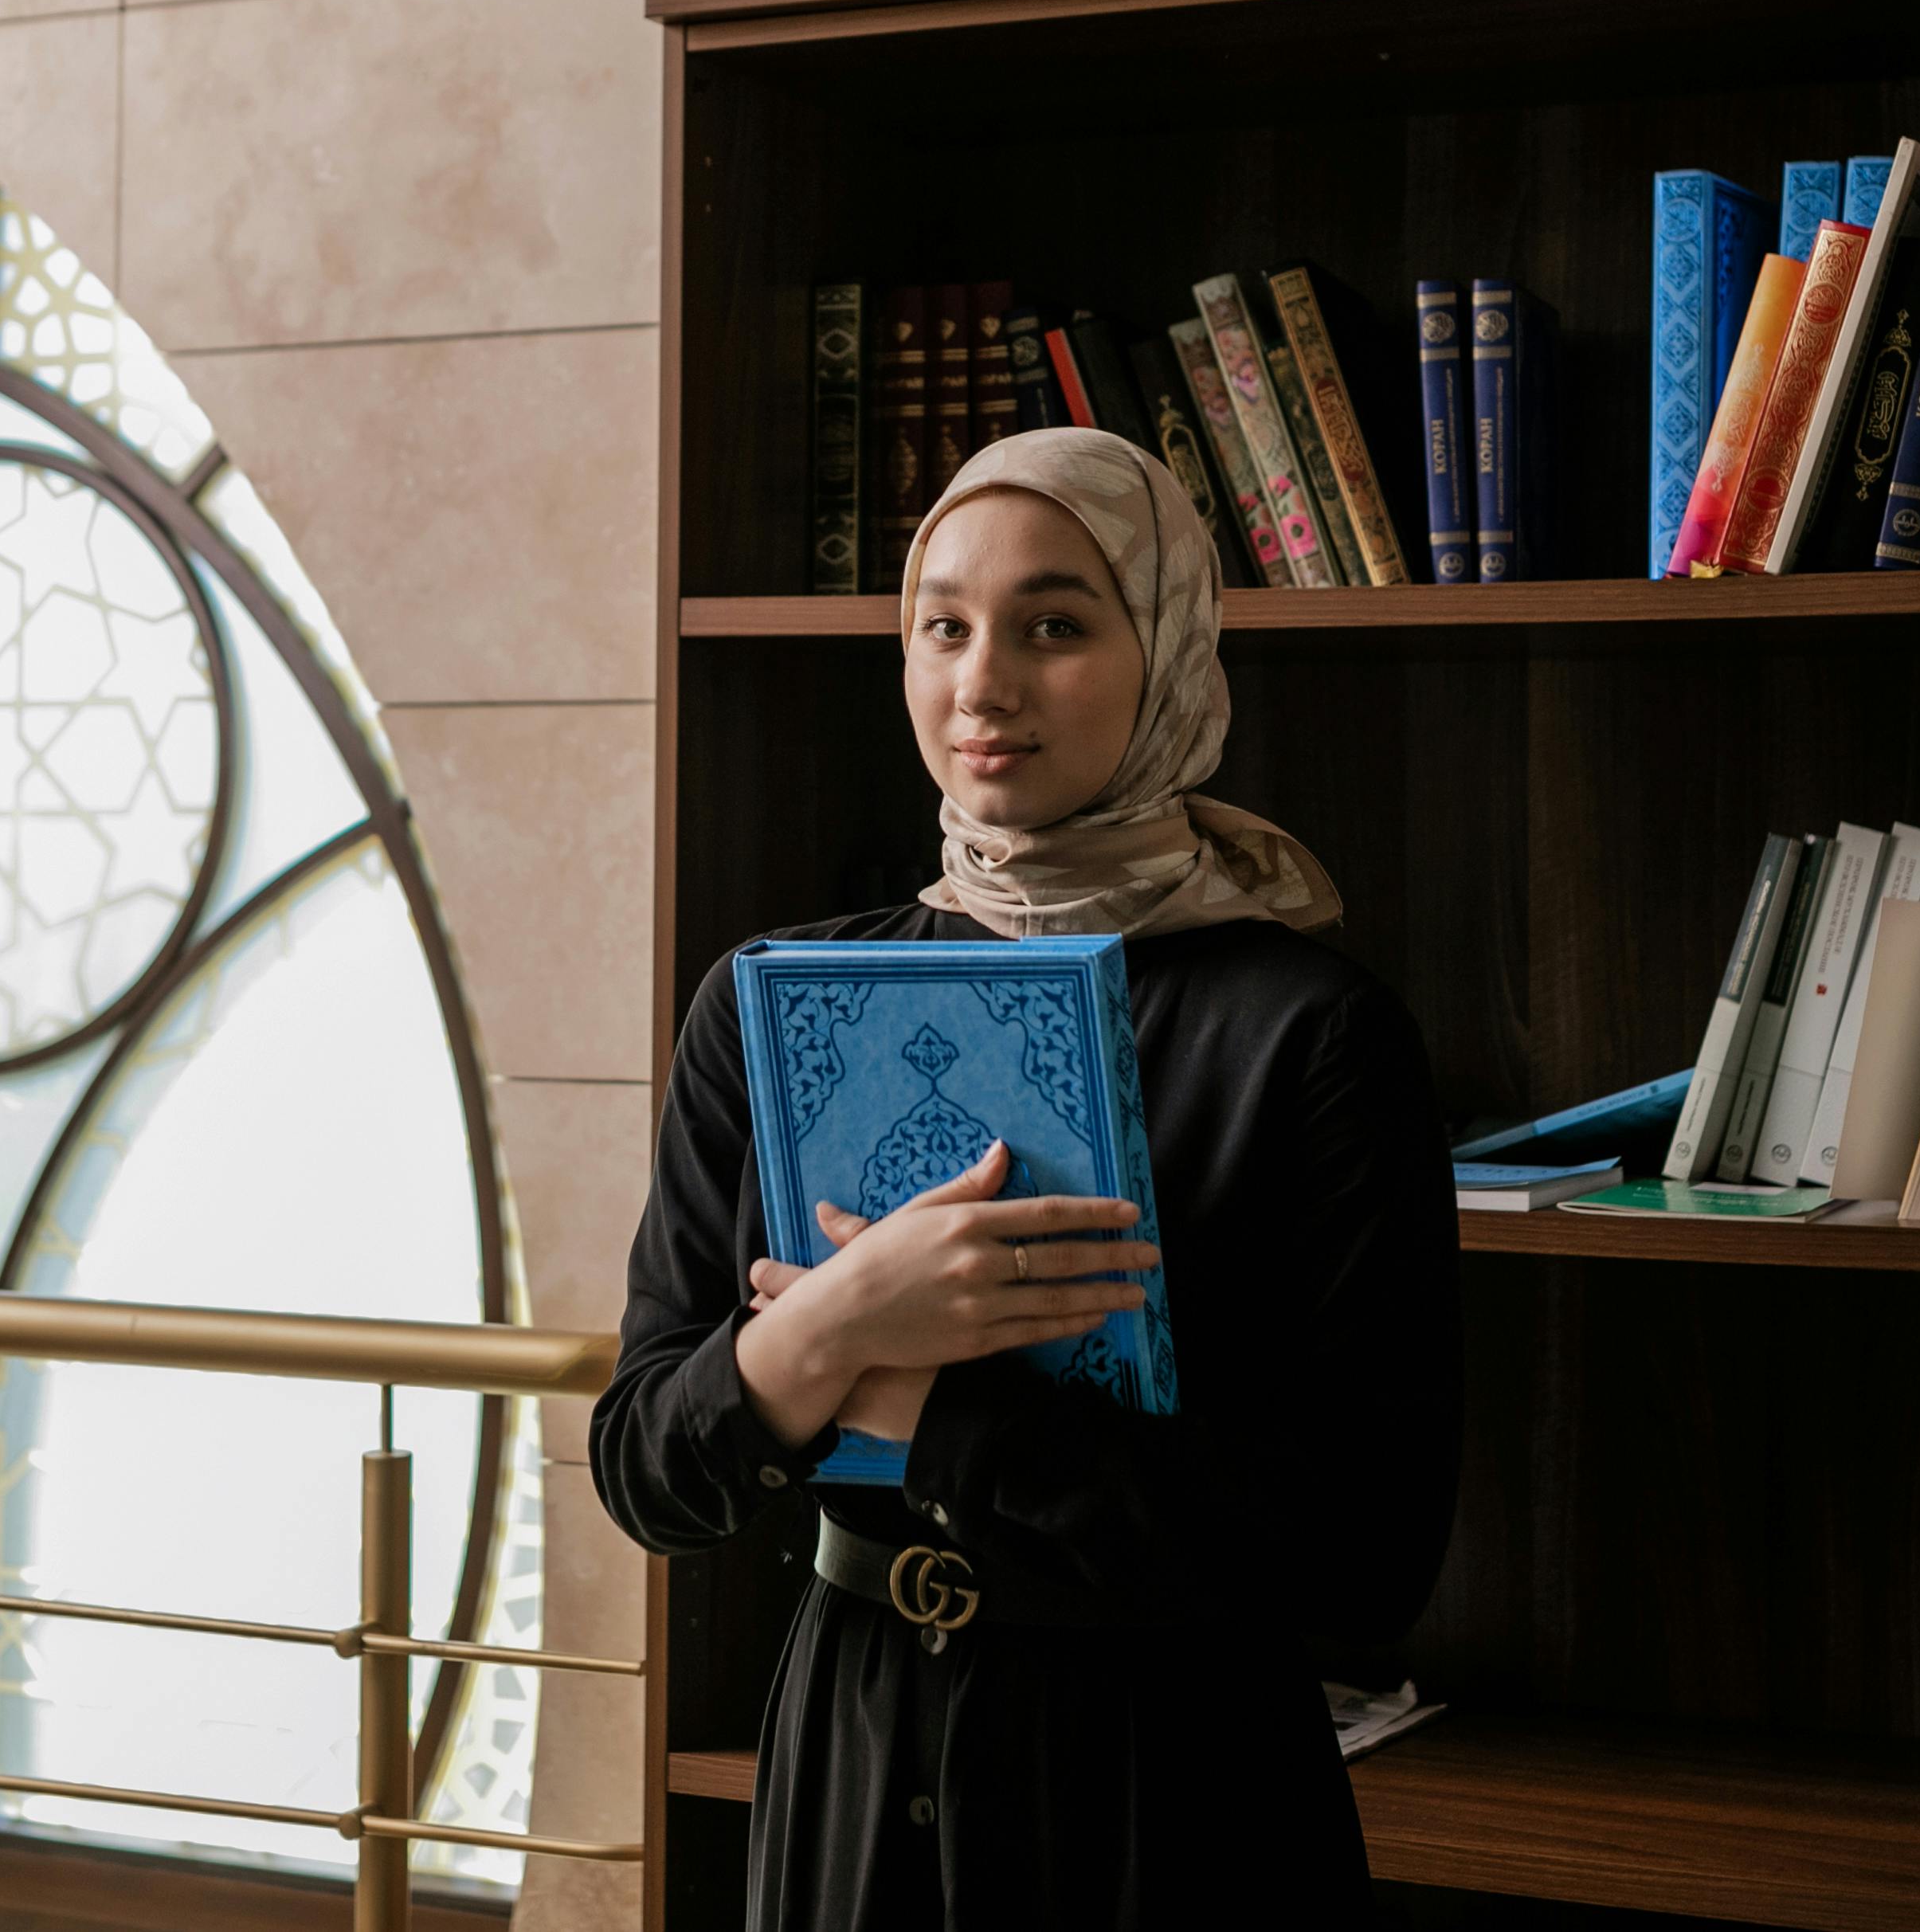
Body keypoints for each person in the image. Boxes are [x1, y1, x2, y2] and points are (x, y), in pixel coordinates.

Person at [592, 425, 1462, 1929]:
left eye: (1053, 626)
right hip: (850, 1746)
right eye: (943, 627)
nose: (981, 686)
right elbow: (643, 1469)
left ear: (1167, 652)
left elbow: (1361, 1564)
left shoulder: (1309, 1035)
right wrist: (831, 1327)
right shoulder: (768, 1001)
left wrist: (928, 1411)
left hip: (1166, 1781)